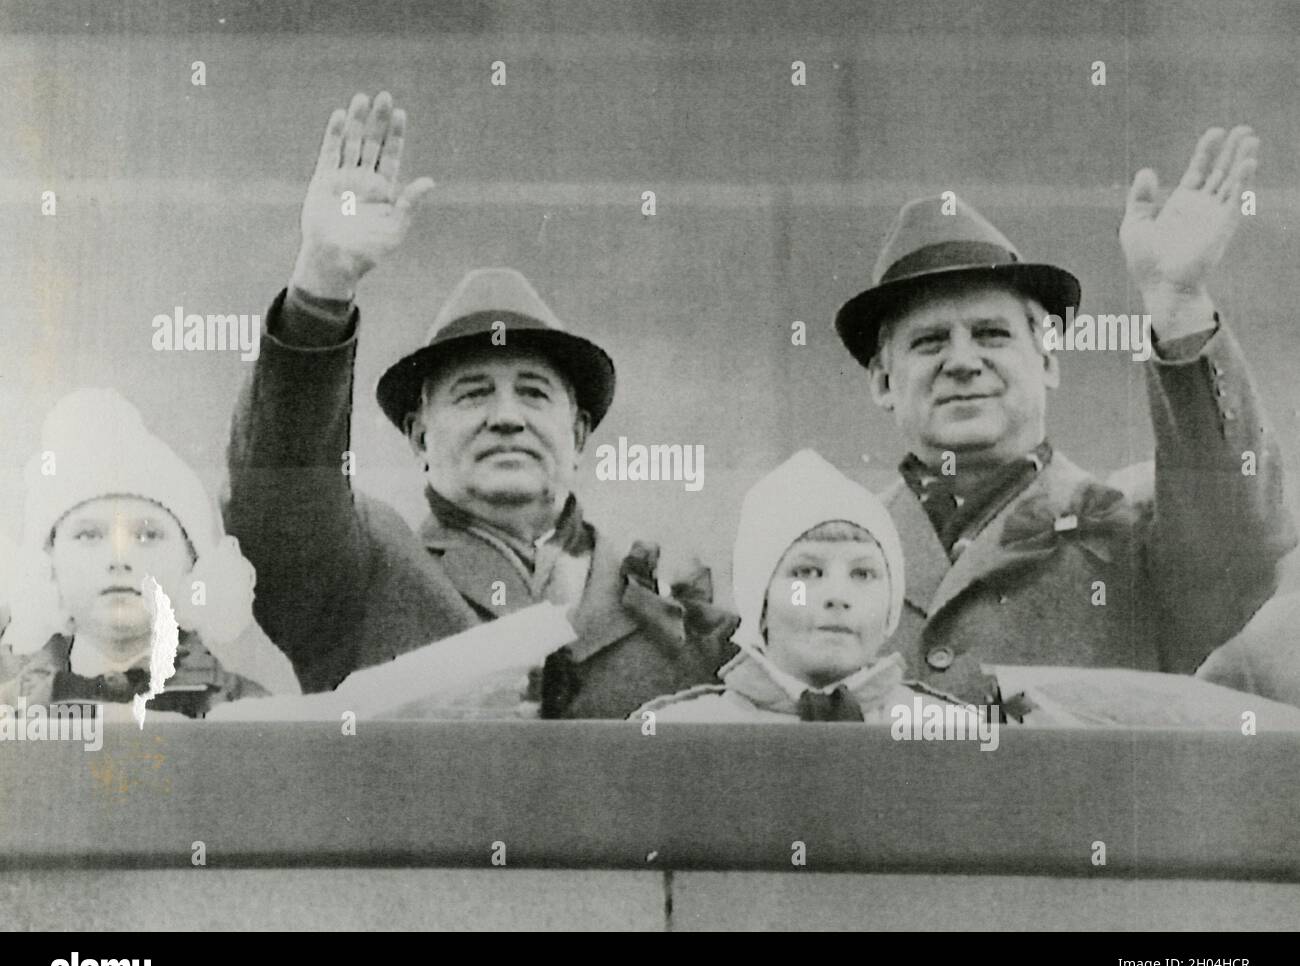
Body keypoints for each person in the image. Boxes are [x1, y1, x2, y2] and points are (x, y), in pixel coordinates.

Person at [225, 92, 735, 717]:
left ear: (578, 433)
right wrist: (321, 288)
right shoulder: (366, 567)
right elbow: (281, 499)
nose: (506, 416)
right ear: (418, 436)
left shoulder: (668, 596)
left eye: (533, 392)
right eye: (473, 394)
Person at [832, 126, 1296, 704]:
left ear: (1048, 359)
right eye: (929, 342)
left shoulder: (1137, 534)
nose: (962, 361)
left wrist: (1179, 306)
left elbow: (1237, 538)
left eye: (991, 334)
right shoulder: (822, 549)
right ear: (882, 382)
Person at [0, 389, 280, 717]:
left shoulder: (247, 714)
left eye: (148, 535)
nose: (119, 558)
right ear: (49, 565)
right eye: (89, 535)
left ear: (193, 564)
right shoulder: (10, 712)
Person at [637, 450, 969, 723]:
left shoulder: (948, 731)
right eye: (806, 573)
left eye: (863, 574)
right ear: (761, 604)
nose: (838, 597)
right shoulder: (680, 730)